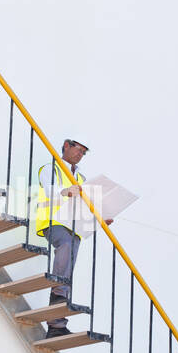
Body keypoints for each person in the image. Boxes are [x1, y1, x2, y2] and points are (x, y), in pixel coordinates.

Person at [34, 139, 112, 339]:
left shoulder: (81, 177)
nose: (81, 154)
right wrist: (66, 191)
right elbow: (49, 188)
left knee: (67, 271)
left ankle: (57, 324)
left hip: (73, 227)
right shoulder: (51, 168)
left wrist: (100, 218)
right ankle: (56, 316)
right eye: (79, 149)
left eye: (84, 152)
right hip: (53, 223)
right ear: (67, 146)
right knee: (65, 254)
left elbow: (85, 205)